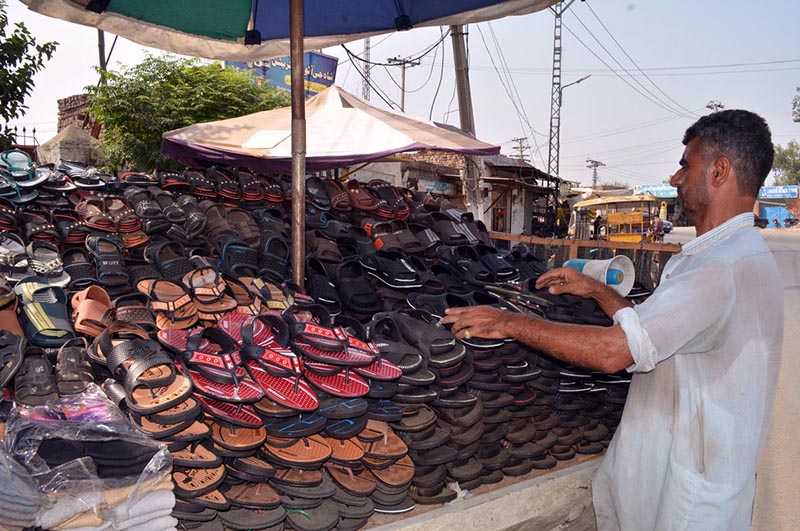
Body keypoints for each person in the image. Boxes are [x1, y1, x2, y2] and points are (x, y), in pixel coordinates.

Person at [442, 109, 782, 531]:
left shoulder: (719, 269)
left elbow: (614, 352)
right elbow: (654, 333)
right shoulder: (739, 254)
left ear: (719, 171)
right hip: (697, 479)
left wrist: (508, 323)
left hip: (689, 503)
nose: (676, 179)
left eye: (685, 165)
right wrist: (596, 289)